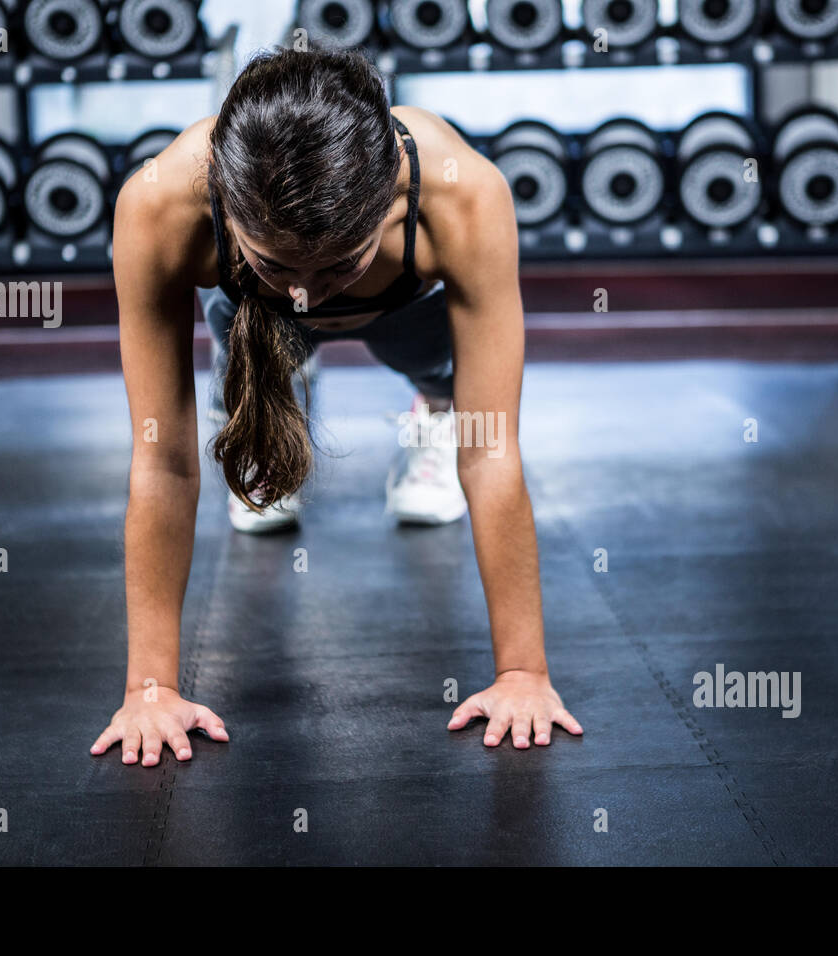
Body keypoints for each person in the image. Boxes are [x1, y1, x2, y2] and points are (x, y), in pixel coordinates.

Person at [91, 47, 582, 767]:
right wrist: (150, 687)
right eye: (279, 264)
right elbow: (163, 459)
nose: (307, 293)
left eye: (336, 265)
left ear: (387, 196)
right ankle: (270, 409)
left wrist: (523, 674)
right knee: (263, 356)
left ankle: (427, 408)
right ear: (226, 203)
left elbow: (491, 449)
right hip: (250, 323)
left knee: (448, 384)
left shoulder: (463, 195)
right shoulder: (161, 203)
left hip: (406, 310)